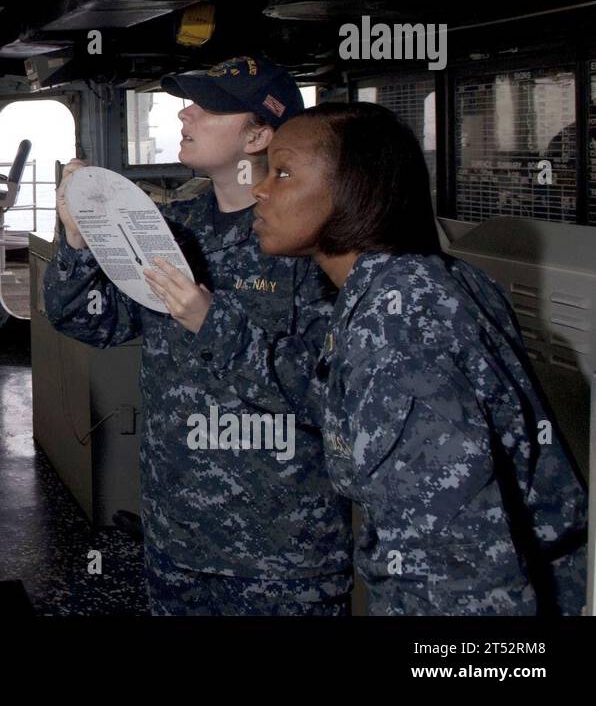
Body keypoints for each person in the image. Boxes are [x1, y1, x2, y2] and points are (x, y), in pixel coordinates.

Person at [250, 101, 588, 614]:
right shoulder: (418, 278)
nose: (260, 188)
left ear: (353, 189)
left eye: (284, 171)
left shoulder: (399, 321)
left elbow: (457, 567)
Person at [45, 56, 353, 615]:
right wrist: (77, 244)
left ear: (259, 133)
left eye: (208, 106)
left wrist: (212, 324)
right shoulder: (173, 225)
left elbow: (336, 398)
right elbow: (93, 321)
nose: (186, 112)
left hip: (280, 554)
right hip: (177, 537)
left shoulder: (316, 239)